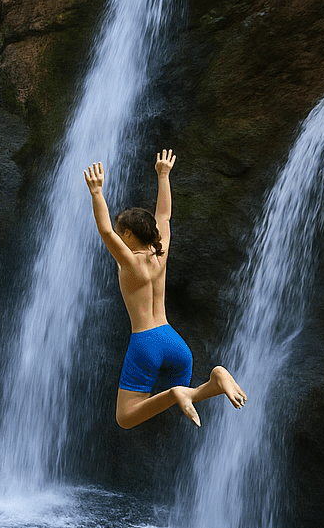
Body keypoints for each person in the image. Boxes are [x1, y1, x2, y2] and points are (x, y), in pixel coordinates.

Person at [84, 149, 246, 428]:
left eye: (123, 231)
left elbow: (105, 231)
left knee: (125, 418)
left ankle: (176, 392)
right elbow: (165, 216)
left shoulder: (129, 262)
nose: (119, 234)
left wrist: (97, 192)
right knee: (189, 395)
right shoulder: (161, 253)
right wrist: (163, 174)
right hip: (174, 342)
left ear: (129, 236)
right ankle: (215, 380)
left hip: (145, 342)